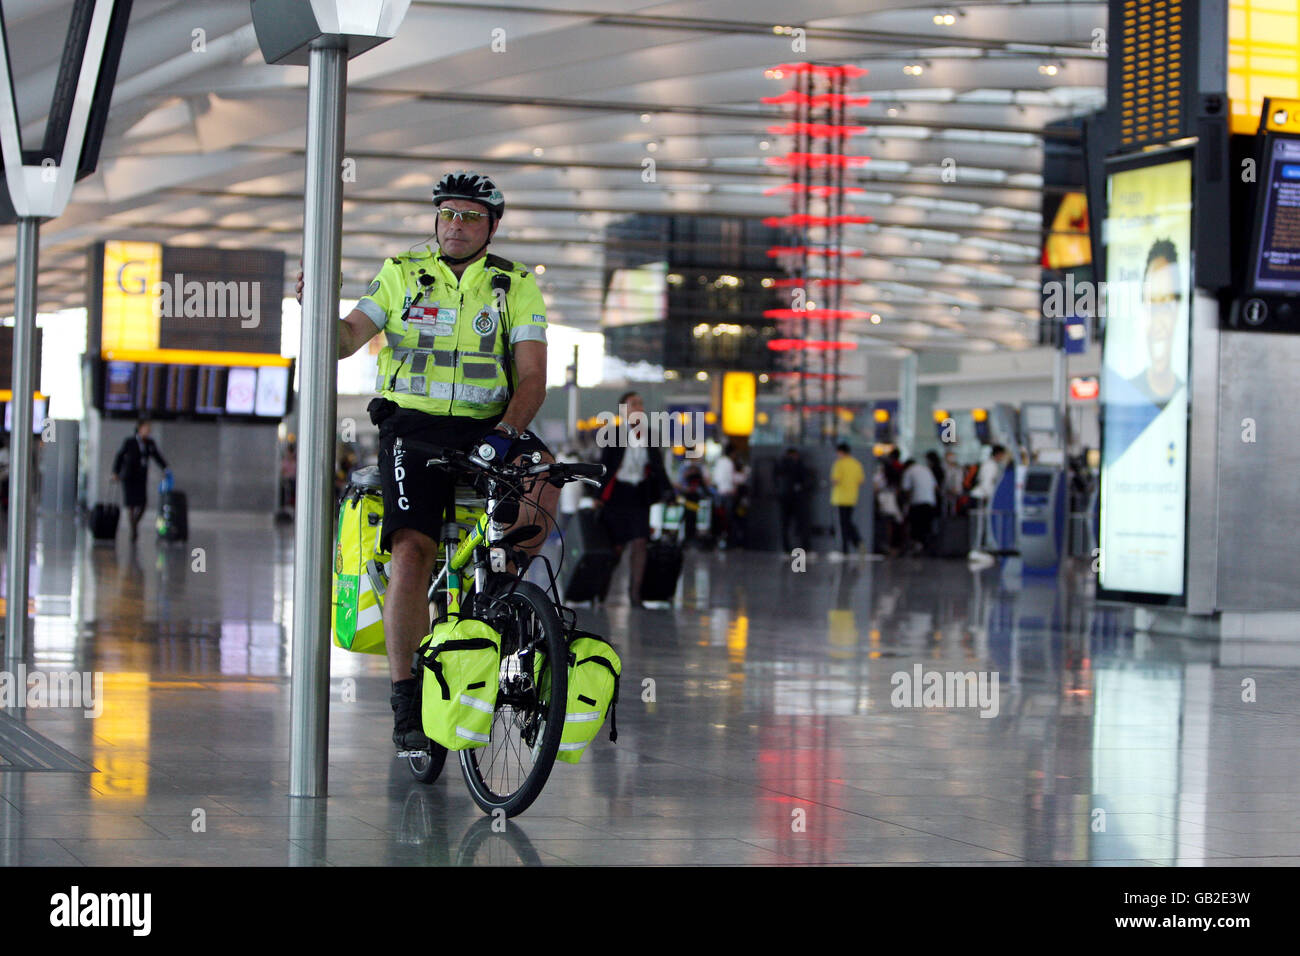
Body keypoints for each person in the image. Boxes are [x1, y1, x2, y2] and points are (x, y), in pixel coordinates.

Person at [297, 169, 555, 754]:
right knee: (412, 548)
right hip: (412, 427)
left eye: (469, 216)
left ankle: (505, 592)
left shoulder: (514, 284)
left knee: (545, 471)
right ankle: (405, 697)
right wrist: (319, 309)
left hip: (489, 424)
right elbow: (344, 339)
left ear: (491, 226)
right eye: (447, 214)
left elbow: (534, 377)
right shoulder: (402, 274)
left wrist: (510, 431)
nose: (456, 224)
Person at [596, 391, 672, 606]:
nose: (639, 407)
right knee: (616, 548)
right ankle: (601, 590)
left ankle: (635, 593)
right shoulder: (613, 434)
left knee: (640, 542)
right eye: (634, 404)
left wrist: (668, 492)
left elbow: (657, 466)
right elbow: (604, 467)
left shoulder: (649, 435)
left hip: (639, 494)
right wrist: (597, 496)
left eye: (641, 403)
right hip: (617, 495)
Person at [110, 420, 169, 541]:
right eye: (146, 428)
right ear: (140, 428)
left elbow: (157, 456)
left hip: (141, 477)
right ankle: (134, 530)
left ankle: (135, 525)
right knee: (131, 504)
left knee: (142, 503)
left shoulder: (149, 443)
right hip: (129, 476)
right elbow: (120, 456)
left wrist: (165, 467)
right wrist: (116, 472)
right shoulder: (130, 442)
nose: (148, 431)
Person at [829, 442, 866, 561]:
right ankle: (856, 543)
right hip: (852, 497)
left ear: (840, 452)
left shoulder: (839, 464)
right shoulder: (856, 464)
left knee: (843, 524)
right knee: (847, 522)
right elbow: (861, 481)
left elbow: (835, 480)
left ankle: (847, 547)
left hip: (840, 498)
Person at [774, 447, 812, 555]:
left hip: (783, 498)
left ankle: (786, 549)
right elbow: (806, 481)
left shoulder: (779, 465)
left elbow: (775, 481)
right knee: (800, 524)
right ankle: (803, 549)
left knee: (784, 525)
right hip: (797, 499)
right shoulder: (798, 465)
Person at [902, 456, 939, 556]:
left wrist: (906, 503)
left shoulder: (908, 471)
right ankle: (926, 548)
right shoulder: (926, 470)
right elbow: (936, 487)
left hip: (917, 502)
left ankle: (917, 547)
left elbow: (906, 490)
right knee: (926, 527)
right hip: (930, 502)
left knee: (916, 527)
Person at [712, 442, 737, 549]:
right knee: (728, 520)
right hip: (727, 494)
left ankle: (720, 540)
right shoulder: (729, 463)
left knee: (720, 519)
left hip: (719, 494)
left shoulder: (719, 462)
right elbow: (731, 479)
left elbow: (716, 479)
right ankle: (728, 542)